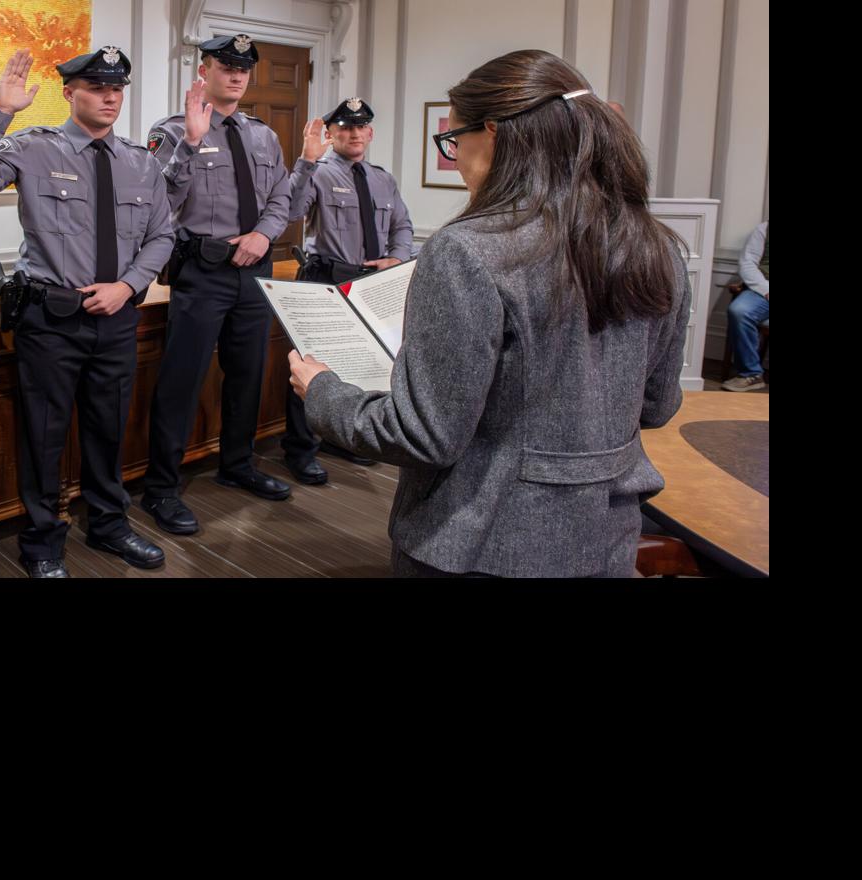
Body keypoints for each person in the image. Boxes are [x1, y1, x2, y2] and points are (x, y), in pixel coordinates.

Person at [287, 50, 689, 577]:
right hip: (604, 534)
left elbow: (422, 434)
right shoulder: (655, 246)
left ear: (495, 134)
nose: (452, 161)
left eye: (453, 141)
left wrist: (322, 390)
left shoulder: (470, 250)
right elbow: (656, 405)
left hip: (483, 539)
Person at [0, 46, 175, 578]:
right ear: (70, 92)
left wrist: (129, 285)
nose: (110, 97)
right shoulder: (33, 149)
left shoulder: (140, 162)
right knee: (45, 434)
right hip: (51, 318)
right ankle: (42, 540)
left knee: (107, 430)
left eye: (117, 88)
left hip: (116, 317)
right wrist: (0, 112)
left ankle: (109, 524)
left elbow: (161, 234)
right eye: (98, 87)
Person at [139, 33, 295, 538]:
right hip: (202, 270)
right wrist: (190, 140)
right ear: (202, 70)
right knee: (181, 381)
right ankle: (161, 487)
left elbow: (282, 199)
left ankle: (237, 463)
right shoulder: (172, 130)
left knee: (248, 373)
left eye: (243, 68)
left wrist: (261, 235)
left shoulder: (263, 136)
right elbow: (154, 199)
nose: (236, 74)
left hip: (254, 271)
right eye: (225, 65)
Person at [279, 97, 411, 484]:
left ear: (369, 133)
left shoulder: (382, 178)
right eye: (345, 128)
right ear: (331, 133)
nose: (354, 134)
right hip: (326, 281)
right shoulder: (318, 173)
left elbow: (402, 225)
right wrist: (305, 160)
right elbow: (290, 211)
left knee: (358, 364)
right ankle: (300, 449)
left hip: (370, 283)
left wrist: (398, 256)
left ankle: (340, 437)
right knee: (308, 365)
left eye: (361, 128)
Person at [723, 221, 768, 392]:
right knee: (739, 311)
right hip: (763, 288)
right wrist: (766, 290)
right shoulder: (764, 229)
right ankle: (751, 374)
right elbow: (748, 263)